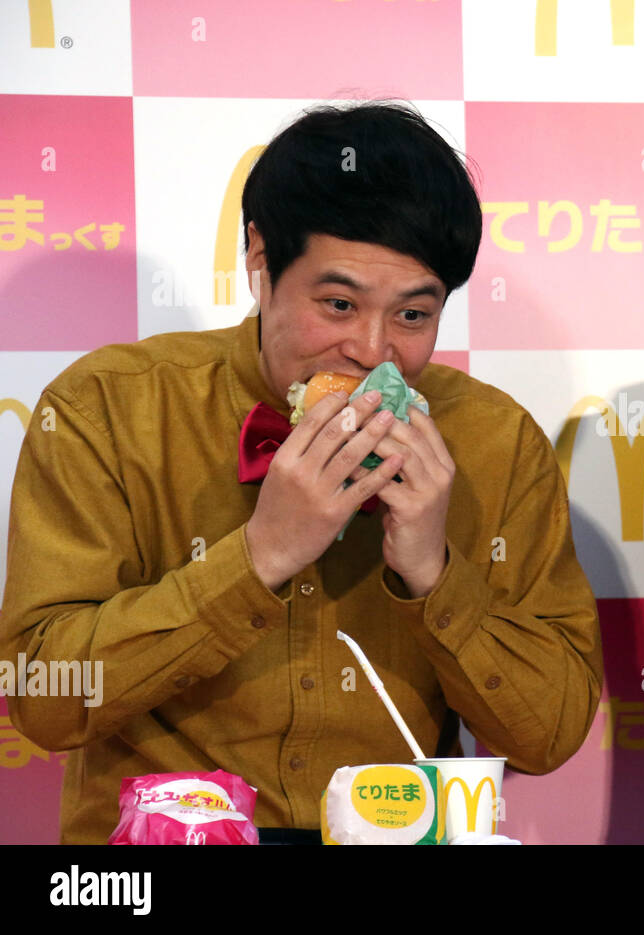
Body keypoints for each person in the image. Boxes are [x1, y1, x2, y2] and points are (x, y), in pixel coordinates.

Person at [0, 102, 602, 844]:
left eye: (413, 316)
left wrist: (436, 574)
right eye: (339, 304)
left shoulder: (493, 439)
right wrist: (257, 558)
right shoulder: (108, 409)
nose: (373, 351)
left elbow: (550, 734)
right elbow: (43, 698)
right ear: (259, 258)